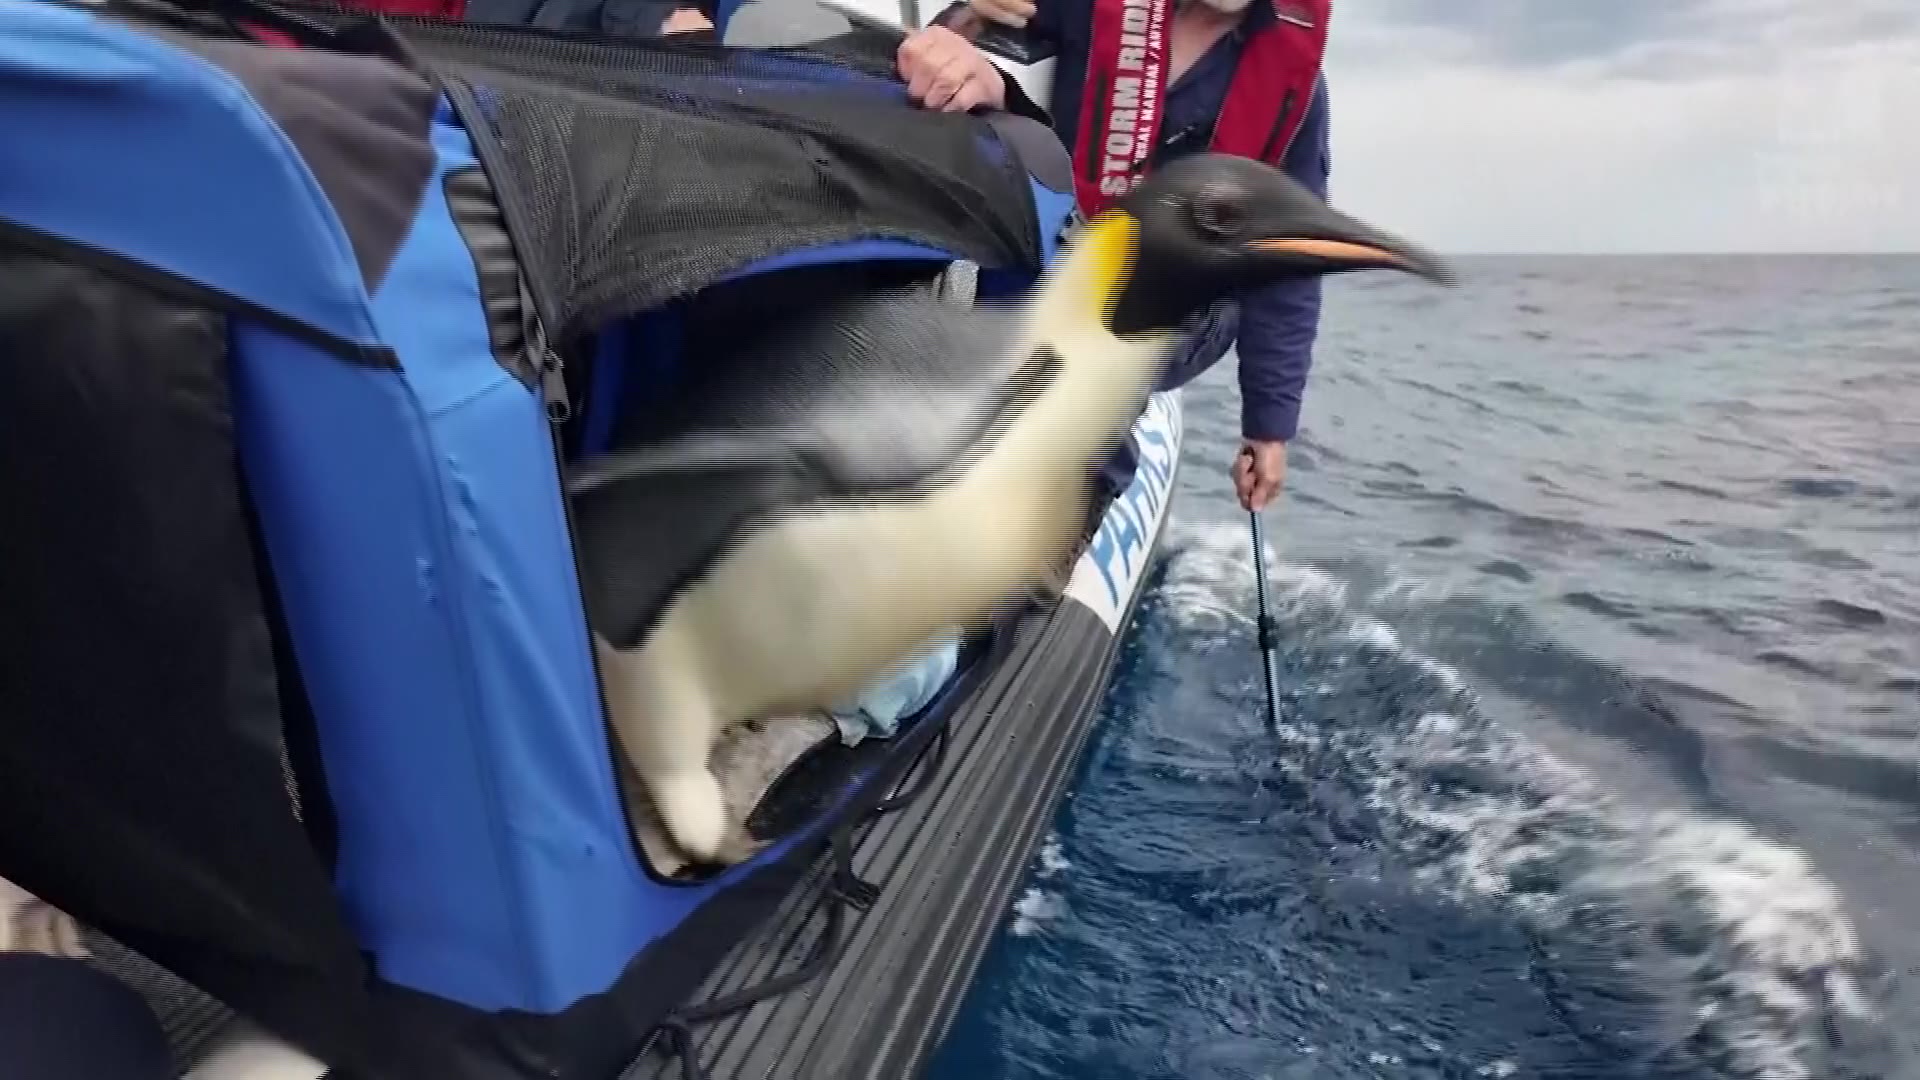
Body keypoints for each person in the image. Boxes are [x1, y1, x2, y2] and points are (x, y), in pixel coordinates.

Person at [893, 0, 1333, 514]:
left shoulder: (1300, 92)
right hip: (1050, 244)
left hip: (1182, 306)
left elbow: (1289, 263)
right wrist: (963, 20)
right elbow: (960, 46)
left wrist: (1269, 425)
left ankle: (1066, 507)